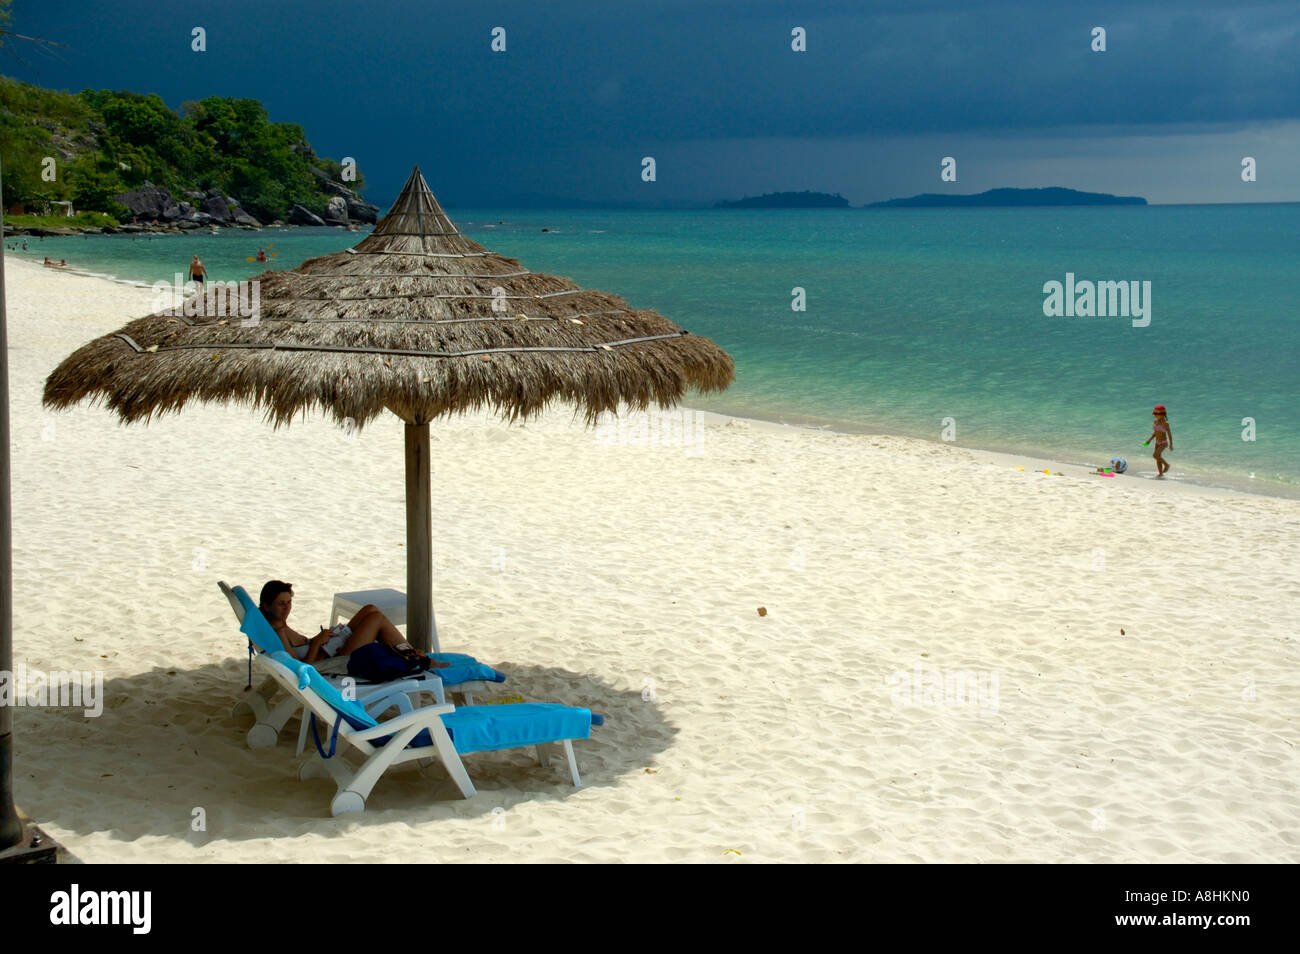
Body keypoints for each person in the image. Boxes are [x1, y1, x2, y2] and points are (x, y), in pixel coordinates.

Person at [257, 580, 447, 668]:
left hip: (329, 650)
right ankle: (415, 658)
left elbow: (301, 649)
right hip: (331, 663)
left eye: (289, 602)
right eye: (281, 604)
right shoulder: (279, 632)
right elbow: (301, 669)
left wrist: (321, 638)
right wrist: (316, 643)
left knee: (370, 609)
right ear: (266, 605)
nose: (287, 608)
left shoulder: (276, 623)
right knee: (376, 619)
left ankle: (409, 653)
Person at [1144, 405, 1173, 478]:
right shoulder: (1155, 421)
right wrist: (1149, 440)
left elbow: (1169, 434)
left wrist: (1171, 444)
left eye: (1158, 414)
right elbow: (1155, 433)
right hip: (1157, 442)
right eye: (1155, 414)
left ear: (1163, 414)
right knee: (1158, 458)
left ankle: (1166, 465)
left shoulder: (1165, 423)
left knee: (1155, 455)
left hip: (1163, 442)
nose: (1156, 416)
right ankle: (1160, 474)